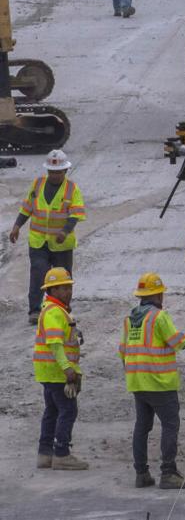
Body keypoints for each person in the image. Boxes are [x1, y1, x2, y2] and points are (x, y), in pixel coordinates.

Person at [118, 272, 185, 490]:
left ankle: (141, 474)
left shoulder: (129, 320)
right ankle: (168, 473)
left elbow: (123, 351)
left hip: (137, 383)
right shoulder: (159, 317)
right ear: (158, 295)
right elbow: (178, 341)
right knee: (170, 425)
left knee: (142, 427)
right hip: (160, 383)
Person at [10, 149, 86, 324]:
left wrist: (64, 231)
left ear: (65, 171)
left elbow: (76, 214)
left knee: (62, 279)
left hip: (62, 245)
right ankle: (35, 311)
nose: (54, 175)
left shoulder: (72, 189)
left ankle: (62, 309)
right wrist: (17, 226)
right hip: (39, 242)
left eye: (58, 172)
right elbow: (27, 207)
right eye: (51, 172)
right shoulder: (37, 184)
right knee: (38, 273)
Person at [34, 266, 88, 470]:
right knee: (68, 411)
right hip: (57, 372)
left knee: (52, 411)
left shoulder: (54, 310)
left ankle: (45, 454)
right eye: (63, 288)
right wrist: (67, 369)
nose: (68, 292)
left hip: (48, 371)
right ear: (52, 290)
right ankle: (62, 454)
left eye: (69, 287)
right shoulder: (54, 312)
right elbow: (55, 344)